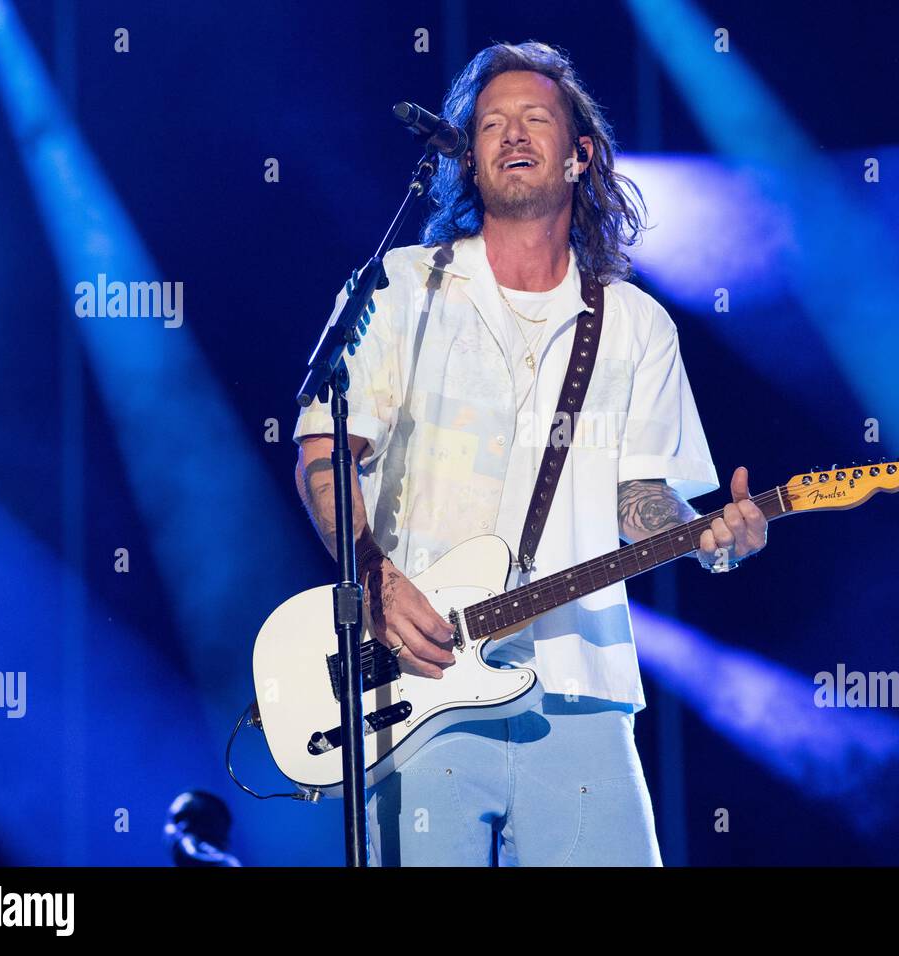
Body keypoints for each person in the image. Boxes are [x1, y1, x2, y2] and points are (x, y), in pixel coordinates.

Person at [292, 41, 768, 866]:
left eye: (535, 118)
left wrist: (705, 534)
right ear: (467, 159)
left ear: (580, 154)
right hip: (421, 686)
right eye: (490, 124)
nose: (512, 134)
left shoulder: (635, 323)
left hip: (582, 688)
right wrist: (372, 574)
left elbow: (641, 499)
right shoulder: (401, 288)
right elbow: (323, 457)